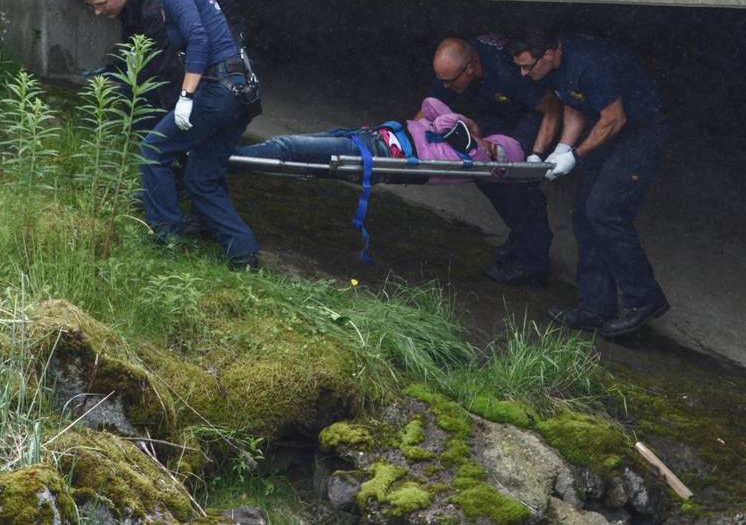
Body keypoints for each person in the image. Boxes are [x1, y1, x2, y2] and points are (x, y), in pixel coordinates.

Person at [510, 27, 670, 338]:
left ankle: (644, 298)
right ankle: (595, 306)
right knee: (585, 213)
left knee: (605, 210)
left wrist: (577, 155)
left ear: (551, 53)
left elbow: (614, 118)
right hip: (608, 129)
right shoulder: (554, 68)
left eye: (529, 66)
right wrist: (561, 149)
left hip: (640, 131)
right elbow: (575, 106)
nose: (524, 73)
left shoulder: (589, 63)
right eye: (519, 66)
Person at [123, 0, 260, 271]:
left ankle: (166, 237)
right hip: (242, 92)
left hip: (220, 92)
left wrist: (186, 97)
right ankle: (242, 253)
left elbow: (198, 39)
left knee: (153, 151)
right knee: (201, 176)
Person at [432, 35, 562, 285]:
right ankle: (520, 233)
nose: (445, 86)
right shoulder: (452, 68)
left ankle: (533, 263)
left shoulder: (507, 71)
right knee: (483, 172)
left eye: (449, 81)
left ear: (469, 68)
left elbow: (551, 107)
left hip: (531, 114)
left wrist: (535, 157)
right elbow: (434, 103)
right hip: (495, 112)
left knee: (515, 180)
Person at [72, 0, 248, 126]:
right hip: (192, 39)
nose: (96, 12)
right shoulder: (133, 2)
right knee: (133, 87)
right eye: (92, 6)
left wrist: (177, 111)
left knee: (157, 93)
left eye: (100, 4)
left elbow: (169, 66)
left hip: (225, 44)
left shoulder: (154, 7)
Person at [236, 97, 528, 173]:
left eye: (499, 153)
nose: (492, 150)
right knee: (290, 146)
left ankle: (221, 161)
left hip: (379, 150)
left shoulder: (474, 153)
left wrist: (469, 124)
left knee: (287, 148)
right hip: (376, 141)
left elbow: (442, 122)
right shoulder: (469, 142)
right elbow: (430, 103)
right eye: (495, 146)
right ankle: (223, 160)